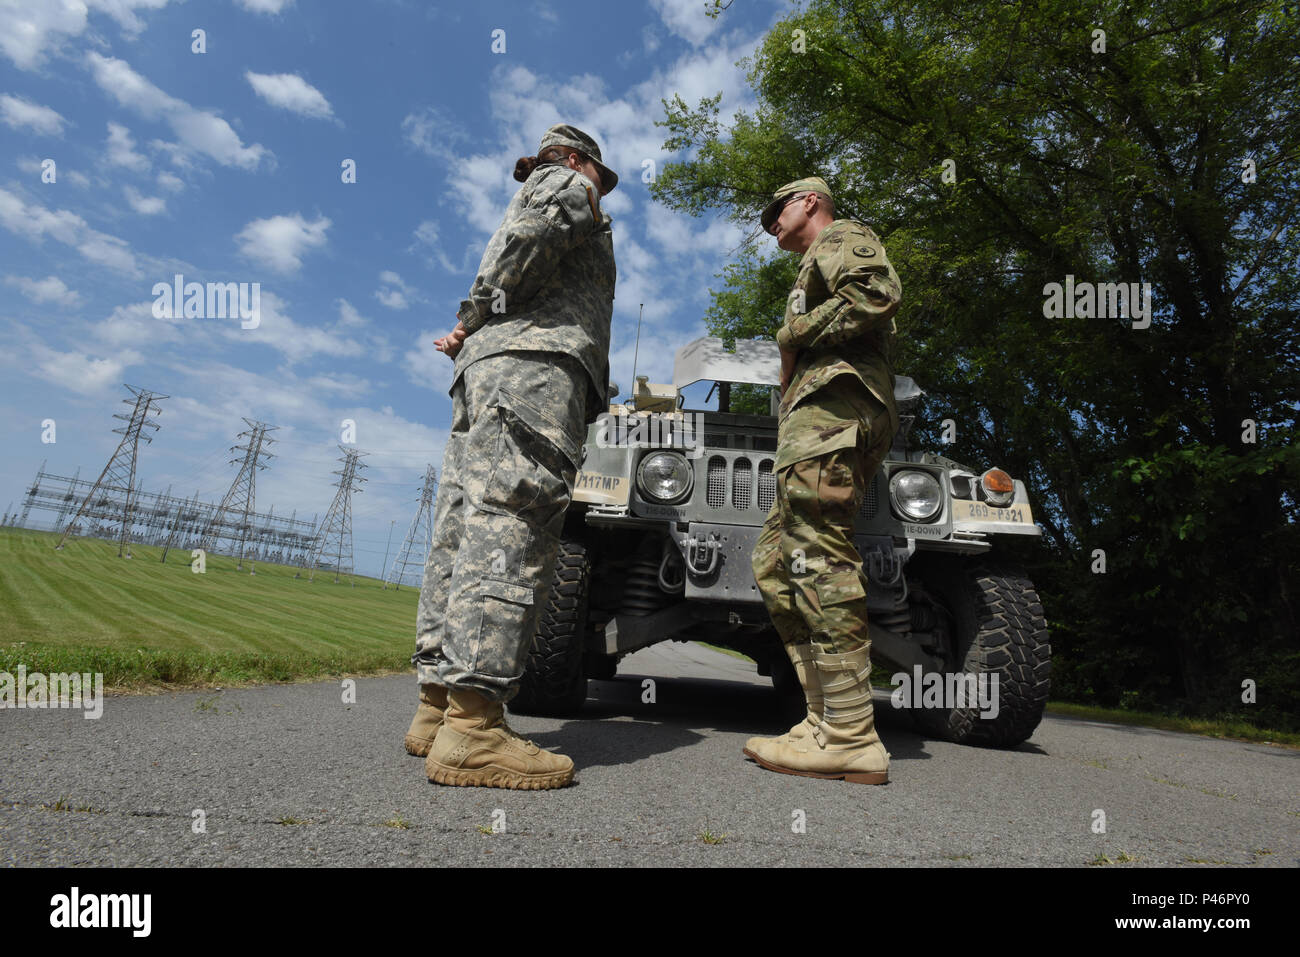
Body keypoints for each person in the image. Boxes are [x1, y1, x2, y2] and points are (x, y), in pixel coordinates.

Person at [404, 124, 617, 790]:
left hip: (492, 371)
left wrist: (471, 323)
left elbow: (514, 252)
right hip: (536, 370)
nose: (596, 190)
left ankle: (436, 708)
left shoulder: (534, 189)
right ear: (580, 161)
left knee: (464, 527)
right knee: (512, 522)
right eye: (596, 176)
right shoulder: (565, 182)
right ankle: (474, 730)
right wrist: (475, 311)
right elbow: (533, 237)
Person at [746, 176, 902, 784]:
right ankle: (824, 717)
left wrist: (791, 336)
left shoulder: (842, 236)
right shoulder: (811, 262)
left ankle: (850, 735)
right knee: (775, 562)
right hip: (816, 419)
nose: (770, 224)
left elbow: (877, 294)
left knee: (816, 555)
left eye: (776, 209)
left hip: (837, 413)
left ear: (809, 201)